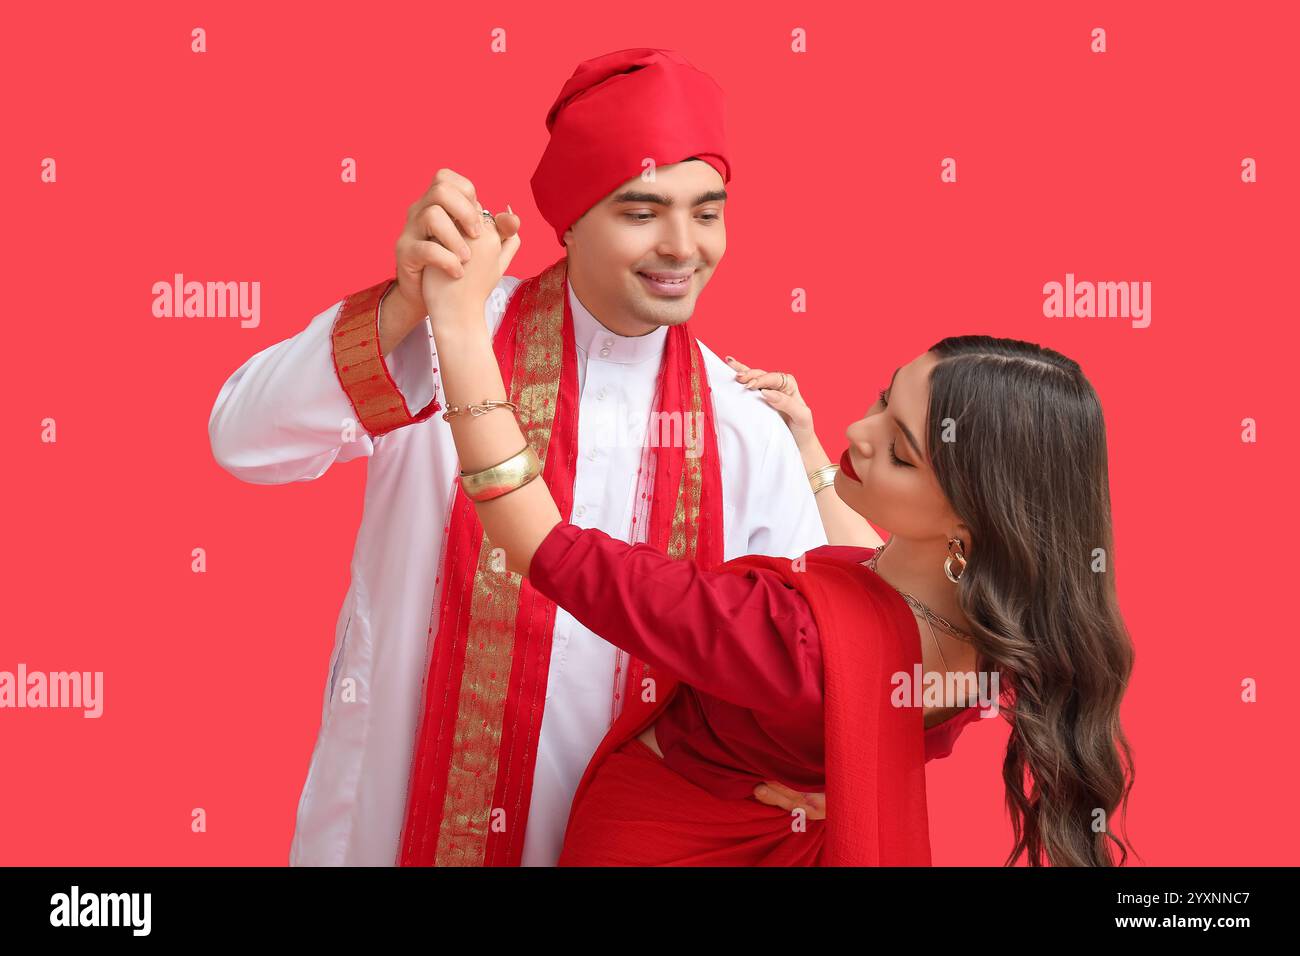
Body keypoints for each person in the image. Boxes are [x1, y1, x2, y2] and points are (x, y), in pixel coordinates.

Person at [206, 48, 832, 866]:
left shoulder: (744, 426)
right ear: (571, 219)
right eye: (641, 213)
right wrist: (402, 304)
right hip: (394, 826)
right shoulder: (443, 332)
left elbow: (797, 665)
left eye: (707, 212)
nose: (682, 246)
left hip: (627, 837)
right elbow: (244, 440)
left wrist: (826, 769)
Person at [422, 201, 1138, 866]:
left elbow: (540, 542)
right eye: (885, 400)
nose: (859, 432)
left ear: (969, 521)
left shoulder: (784, 637)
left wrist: (457, 323)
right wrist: (809, 454)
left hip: (654, 842)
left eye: (899, 451)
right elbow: (871, 577)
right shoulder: (994, 639)